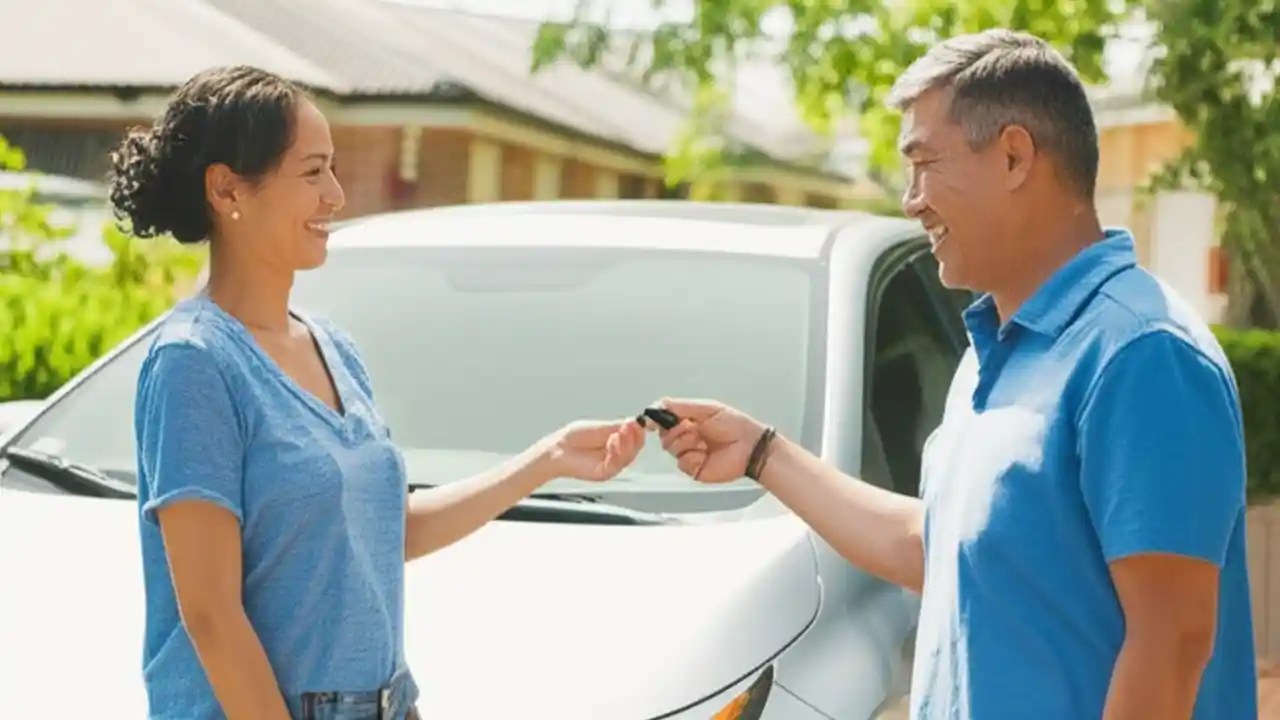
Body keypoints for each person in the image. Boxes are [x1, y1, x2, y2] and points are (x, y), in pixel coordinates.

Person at [648, 29, 1256, 719]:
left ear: (1014, 156)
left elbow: (1171, 640)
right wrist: (763, 454)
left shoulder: (1140, 354)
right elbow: (939, 547)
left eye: (924, 163)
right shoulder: (995, 349)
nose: (910, 200)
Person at [110, 65, 645, 720]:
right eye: (312, 172)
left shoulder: (335, 349)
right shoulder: (194, 364)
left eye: (332, 169)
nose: (337, 194)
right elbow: (211, 615)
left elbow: (383, 532)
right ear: (226, 189)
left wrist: (548, 459)